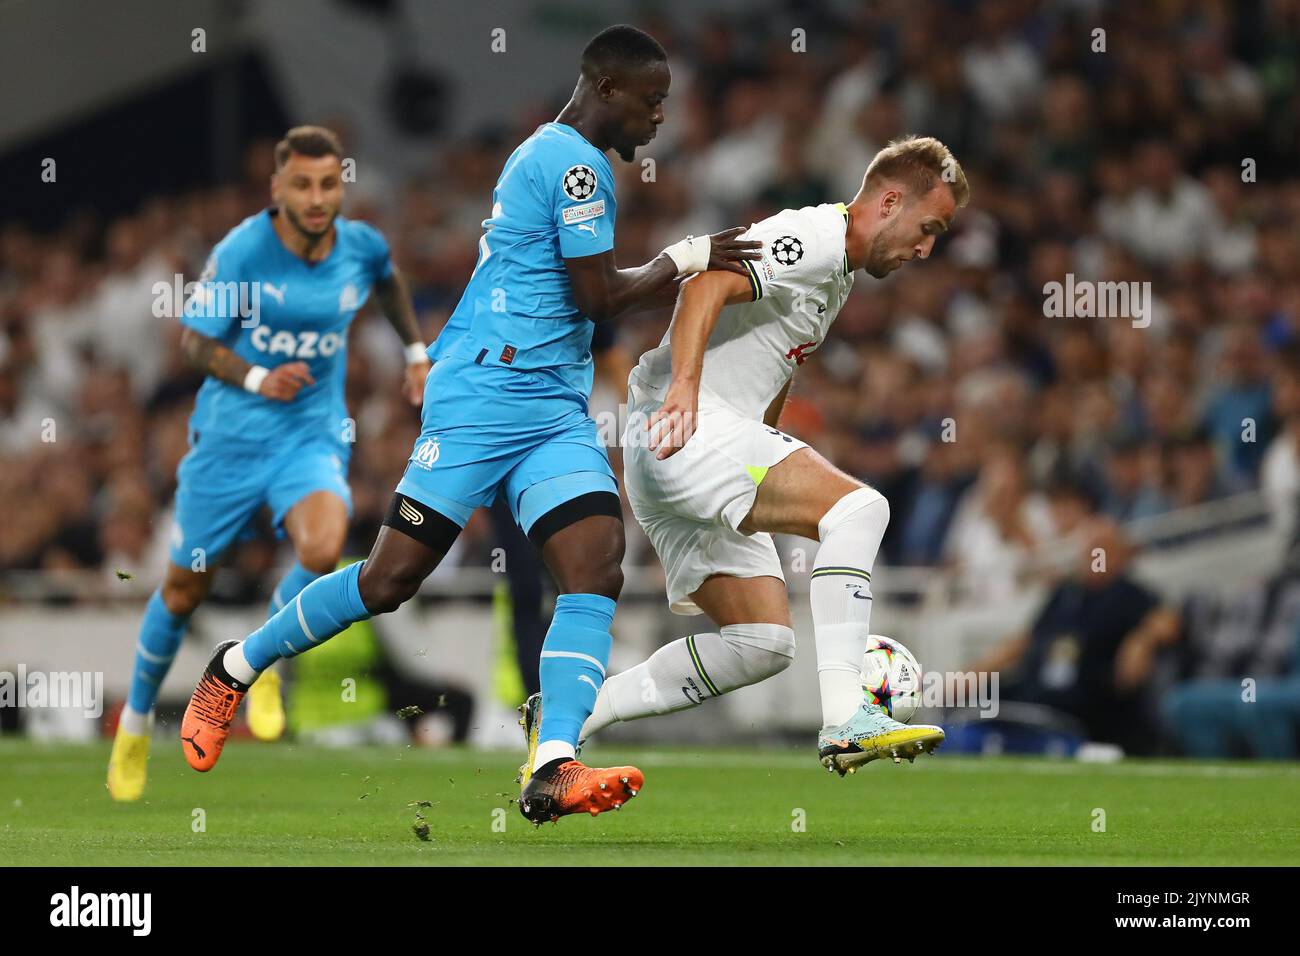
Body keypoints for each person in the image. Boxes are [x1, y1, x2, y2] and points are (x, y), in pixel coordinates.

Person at [177, 25, 760, 823]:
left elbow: (580, 307)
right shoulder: (575, 166)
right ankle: (235, 667)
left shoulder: (555, 157)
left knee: (593, 567)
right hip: (484, 397)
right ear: (608, 89)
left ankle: (554, 761)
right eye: (652, 102)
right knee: (388, 582)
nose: (659, 120)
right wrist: (690, 258)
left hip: (551, 407)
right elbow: (596, 299)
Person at [549, 135, 969, 775]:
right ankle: (846, 720)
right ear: (888, 200)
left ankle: (568, 720)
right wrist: (686, 388)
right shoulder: (817, 237)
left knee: (763, 642)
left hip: (693, 445)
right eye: (927, 227)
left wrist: (765, 461)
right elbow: (706, 281)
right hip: (687, 428)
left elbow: (771, 370)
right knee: (860, 511)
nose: (926, 248)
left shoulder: (839, 274)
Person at [107, 126, 428, 802]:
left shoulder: (361, 248)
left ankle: (258, 664)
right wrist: (256, 378)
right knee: (183, 589)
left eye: (329, 184)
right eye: (303, 185)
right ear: (277, 189)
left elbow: (389, 283)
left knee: (322, 544)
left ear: (342, 185)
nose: (317, 198)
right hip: (230, 440)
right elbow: (194, 343)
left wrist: (416, 354)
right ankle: (135, 724)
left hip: (308, 437)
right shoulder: (245, 251)